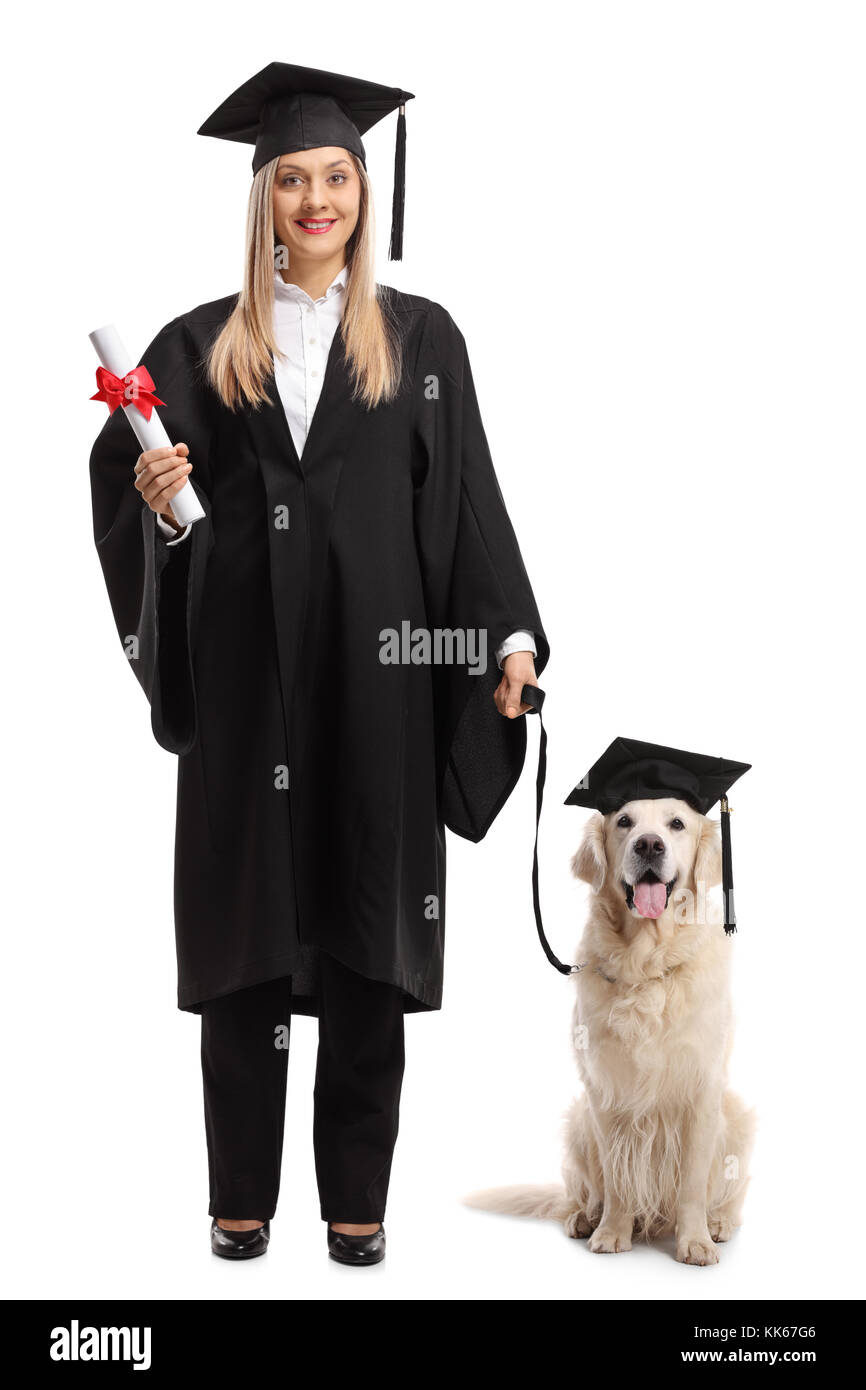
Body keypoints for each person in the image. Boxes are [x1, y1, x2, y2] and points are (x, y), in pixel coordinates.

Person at [90, 62, 549, 1266]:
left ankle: (356, 1203)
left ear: (363, 190)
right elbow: (138, 497)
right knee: (246, 937)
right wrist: (164, 511)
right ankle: (237, 1199)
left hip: (379, 678)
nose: (314, 200)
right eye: (290, 178)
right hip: (246, 679)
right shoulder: (197, 342)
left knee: (363, 940)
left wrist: (504, 641)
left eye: (334, 176)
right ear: (261, 197)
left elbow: (468, 499)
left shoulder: (419, 337)